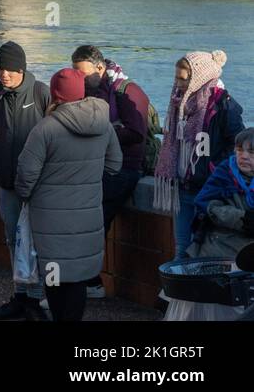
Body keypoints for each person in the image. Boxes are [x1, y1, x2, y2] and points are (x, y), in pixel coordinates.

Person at [15, 68, 123, 322]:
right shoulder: (103, 124)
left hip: (50, 218)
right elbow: (115, 164)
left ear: (55, 94)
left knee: (54, 276)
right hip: (87, 216)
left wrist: (26, 195)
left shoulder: (46, 128)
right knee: (76, 277)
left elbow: (25, 175)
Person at [71, 44, 150, 299]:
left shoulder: (127, 91)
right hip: (98, 165)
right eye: (75, 72)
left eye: (82, 73)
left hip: (124, 168)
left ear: (100, 67)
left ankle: (89, 281)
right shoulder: (93, 90)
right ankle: (89, 280)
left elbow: (137, 133)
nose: (78, 78)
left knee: (93, 222)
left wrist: (101, 133)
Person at [0, 40, 52, 320]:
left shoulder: (41, 92)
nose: (4, 75)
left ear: (21, 68)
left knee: (37, 242)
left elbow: (54, 134)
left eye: (9, 69)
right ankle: (20, 295)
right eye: (0, 69)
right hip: (7, 182)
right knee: (13, 239)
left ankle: (37, 299)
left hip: (38, 185)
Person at [155, 50, 244, 260]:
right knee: (182, 248)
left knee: (203, 249)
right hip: (183, 185)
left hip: (209, 188)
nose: (177, 84)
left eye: (182, 78)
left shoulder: (224, 106)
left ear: (199, 78)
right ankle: (178, 291)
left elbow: (237, 144)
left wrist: (213, 167)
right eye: (176, 77)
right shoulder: (179, 102)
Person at [185, 128, 254, 261]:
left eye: (251, 152)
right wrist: (242, 219)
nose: (244, 156)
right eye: (239, 150)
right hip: (221, 247)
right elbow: (204, 203)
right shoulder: (224, 173)